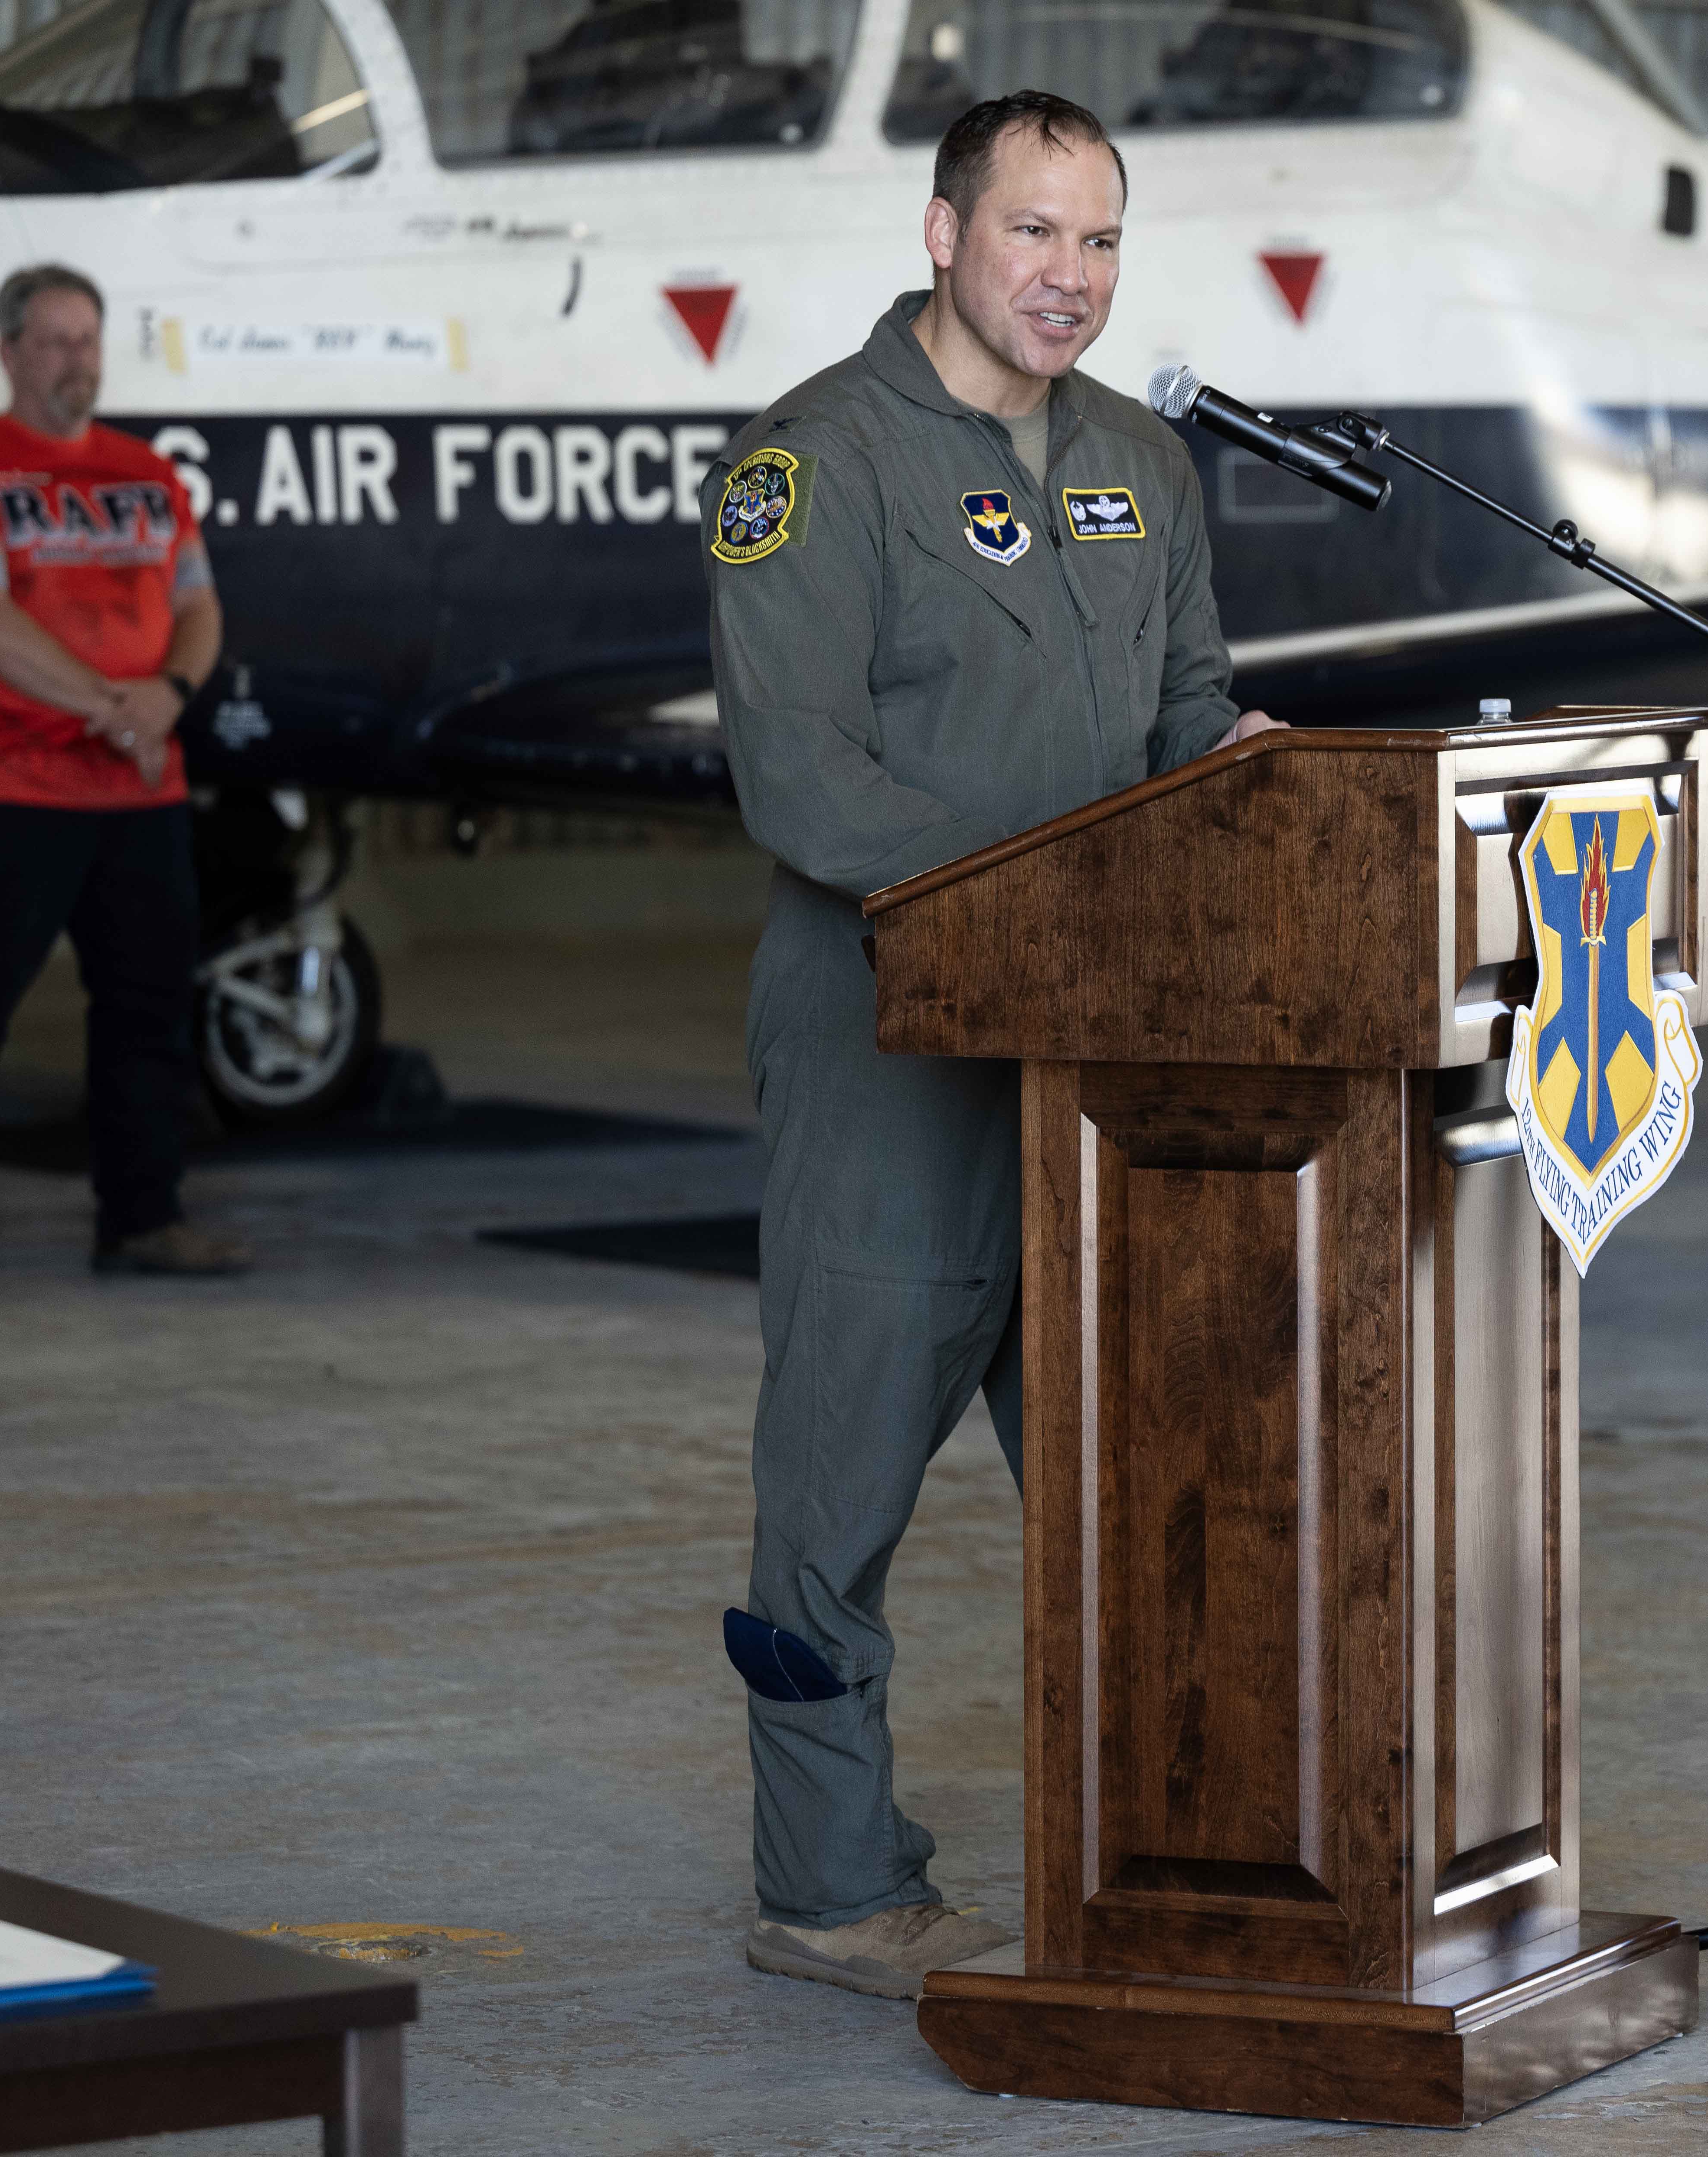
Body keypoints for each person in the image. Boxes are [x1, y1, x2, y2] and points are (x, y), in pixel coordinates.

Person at [702, 90, 1279, 1999]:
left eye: (1101, 242)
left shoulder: (1140, 462)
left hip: (1109, 1055)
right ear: (942, 231)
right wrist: (1057, 884)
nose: (1071, 277)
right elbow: (800, 775)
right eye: (1034, 234)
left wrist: (1237, 775)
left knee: (1136, 1483)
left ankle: (1167, 1861)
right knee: (842, 1481)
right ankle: (831, 1884)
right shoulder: (816, 459)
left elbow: (1184, 707)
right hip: (893, 1045)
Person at [0, 264, 250, 1296]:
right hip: (6, 791)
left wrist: (169, 696)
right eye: (52, 341)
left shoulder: (149, 471)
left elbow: (200, 606)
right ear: (7, 354)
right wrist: (116, 706)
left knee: (145, 1011)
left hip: (143, 793)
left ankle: (144, 1218)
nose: (75, 360)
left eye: (87, 340)